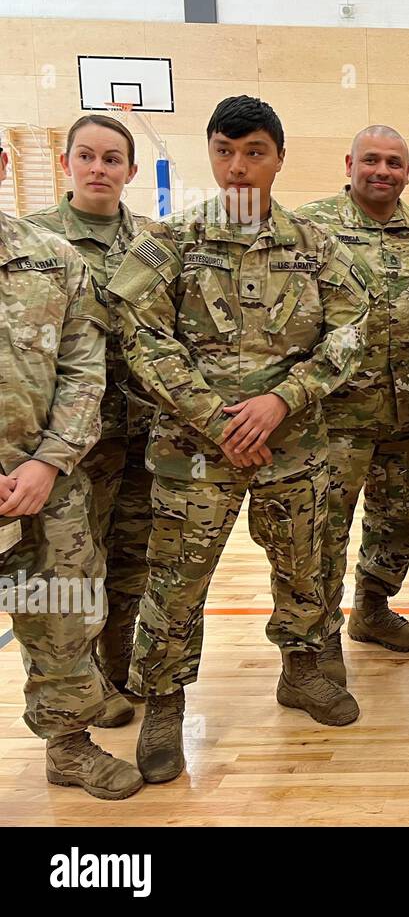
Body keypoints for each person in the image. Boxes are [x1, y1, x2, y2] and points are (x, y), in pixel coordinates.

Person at [107, 96, 370, 785]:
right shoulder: (174, 241)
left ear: (279, 158)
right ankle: (164, 702)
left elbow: (352, 332)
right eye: (225, 151)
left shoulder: (317, 247)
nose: (238, 167)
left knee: (304, 566)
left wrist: (284, 398)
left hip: (293, 444)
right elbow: (141, 337)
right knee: (177, 579)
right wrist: (219, 418)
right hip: (199, 452)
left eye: (254, 151)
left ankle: (302, 670)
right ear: (210, 155)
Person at [1, 140, 143, 800]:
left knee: (62, 613)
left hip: (47, 481)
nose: (97, 169)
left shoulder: (54, 263)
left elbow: (85, 371)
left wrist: (49, 461)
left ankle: (67, 745)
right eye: (83, 157)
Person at [297, 126, 409, 682]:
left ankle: (371, 607)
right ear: (349, 163)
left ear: (408, 173)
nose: (382, 171)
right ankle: (317, 639)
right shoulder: (311, 229)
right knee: (323, 530)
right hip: (333, 416)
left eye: (394, 162)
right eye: (371, 160)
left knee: (402, 518)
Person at [27, 115, 153, 729]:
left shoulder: (154, 242)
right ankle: (80, 688)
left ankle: (117, 661)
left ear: (131, 171)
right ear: (66, 163)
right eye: (87, 156)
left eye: (112, 159)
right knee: (74, 568)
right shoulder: (35, 244)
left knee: (134, 555)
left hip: (144, 432)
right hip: (69, 443)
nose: (99, 169)